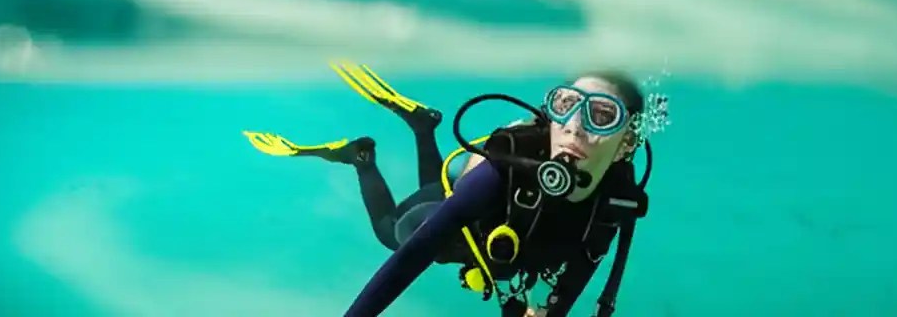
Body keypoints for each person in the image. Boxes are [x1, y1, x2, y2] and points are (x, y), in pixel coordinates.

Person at [243, 62, 663, 317]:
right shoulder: (505, 169)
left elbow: (576, 280)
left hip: (481, 231)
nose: (573, 127)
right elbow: (410, 259)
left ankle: (423, 126)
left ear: (627, 141)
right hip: (460, 231)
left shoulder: (614, 205)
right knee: (392, 232)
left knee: (435, 192)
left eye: (602, 115)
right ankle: (361, 158)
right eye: (565, 105)